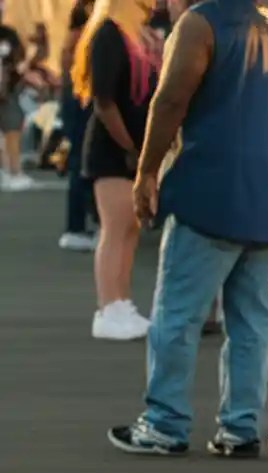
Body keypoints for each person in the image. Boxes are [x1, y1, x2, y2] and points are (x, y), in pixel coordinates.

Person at [112, 0, 268, 457]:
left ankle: (164, 422)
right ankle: (239, 428)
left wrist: (147, 172)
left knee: (178, 315)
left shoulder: (202, 23)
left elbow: (172, 97)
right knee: (252, 325)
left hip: (212, 190)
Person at [71, 0, 163, 340]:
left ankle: (122, 303)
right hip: (112, 149)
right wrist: (130, 147)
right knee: (113, 229)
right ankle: (108, 307)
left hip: (134, 149)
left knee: (130, 229)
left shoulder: (139, 34)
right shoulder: (108, 33)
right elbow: (104, 101)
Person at [57, 0, 98, 250]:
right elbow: (67, 59)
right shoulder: (82, 31)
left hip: (81, 97)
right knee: (80, 163)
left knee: (86, 162)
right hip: (81, 99)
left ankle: (85, 223)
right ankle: (76, 227)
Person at [0, 0, 34, 191]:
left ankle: (14, 170)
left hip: (8, 92)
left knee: (12, 130)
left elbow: (20, 59)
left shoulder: (9, 35)